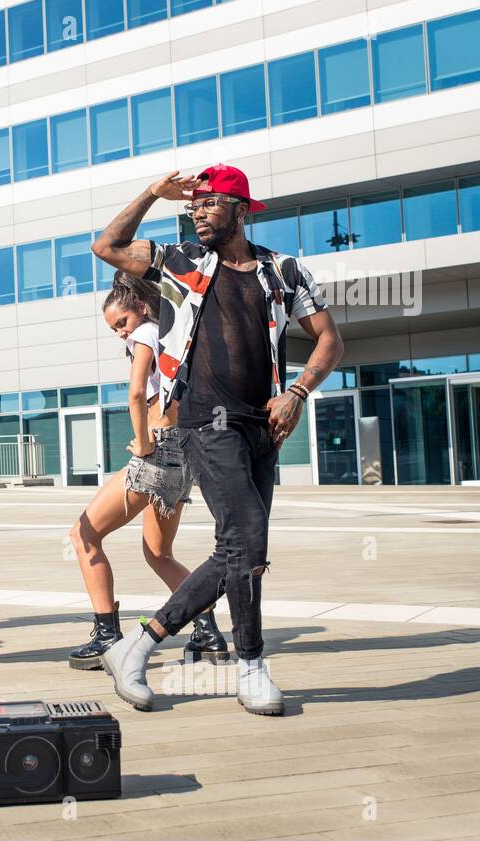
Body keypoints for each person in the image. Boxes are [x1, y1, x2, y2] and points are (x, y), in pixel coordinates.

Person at [93, 165, 344, 715]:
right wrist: (153, 194)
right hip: (205, 420)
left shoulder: (283, 271)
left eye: (210, 203)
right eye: (194, 205)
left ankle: (138, 644)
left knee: (243, 550)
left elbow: (329, 338)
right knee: (248, 537)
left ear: (241, 208)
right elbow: (107, 246)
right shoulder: (182, 262)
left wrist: (298, 393)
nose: (198, 211)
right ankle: (250, 666)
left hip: (265, 424)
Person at [67, 272, 228, 671]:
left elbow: (136, 393)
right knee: (158, 553)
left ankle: (107, 636)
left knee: (84, 534)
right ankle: (206, 630)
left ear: (140, 307)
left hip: (157, 454)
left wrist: (141, 443)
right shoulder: (175, 337)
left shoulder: (147, 334)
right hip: (183, 454)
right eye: (114, 330)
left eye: (122, 322)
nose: (121, 334)